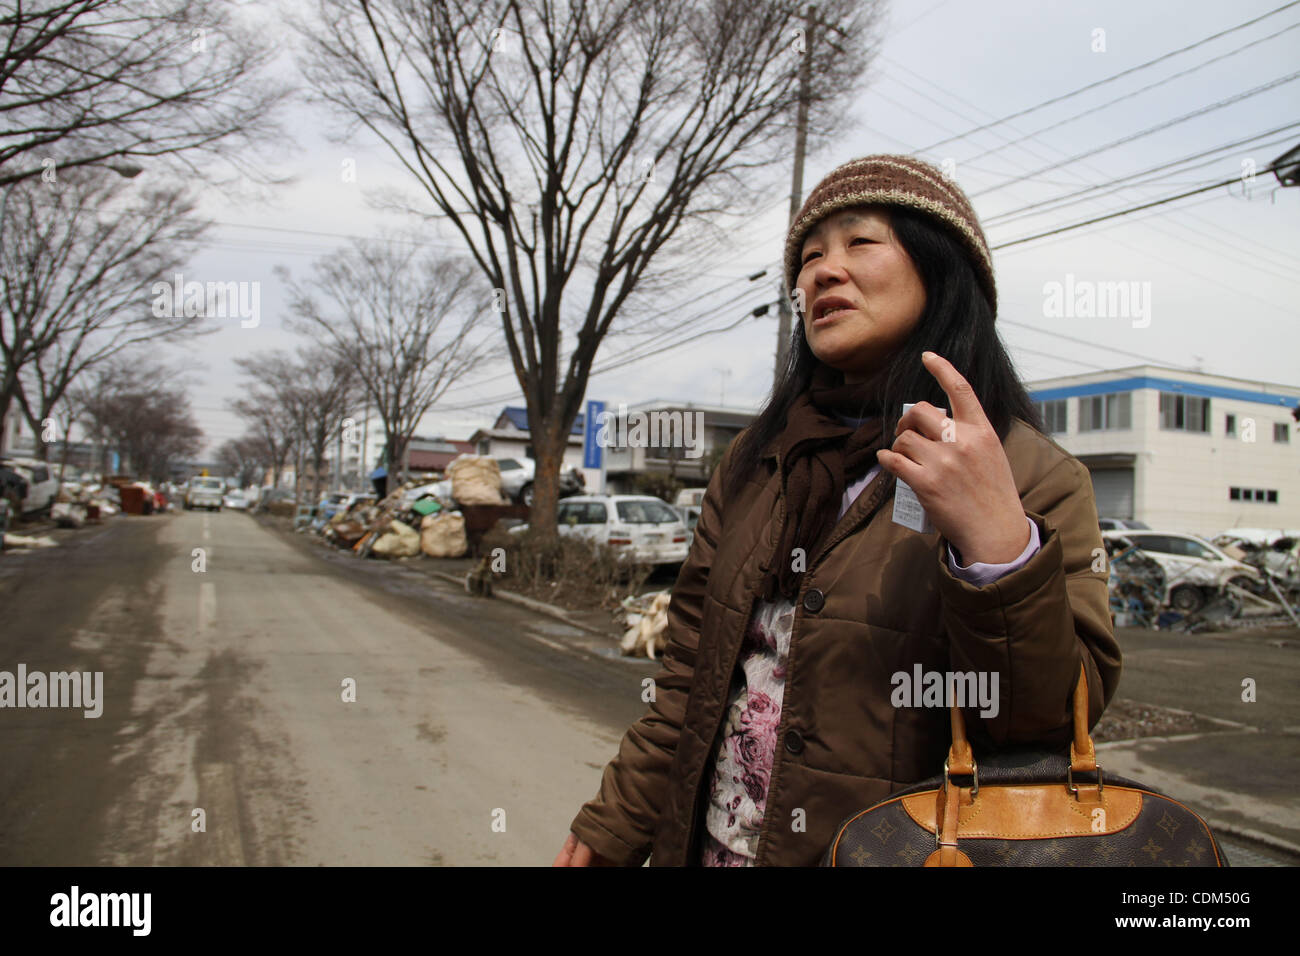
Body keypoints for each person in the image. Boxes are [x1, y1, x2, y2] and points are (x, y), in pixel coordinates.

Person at [553, 154, 1121, 867]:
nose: (822, 272)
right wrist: (617, 822)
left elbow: (1044, 725)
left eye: (860, 242)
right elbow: (689, 680)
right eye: (811, 257)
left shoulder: (1031, 472)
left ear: (943, 269)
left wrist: (998, 547)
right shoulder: (758, 462)